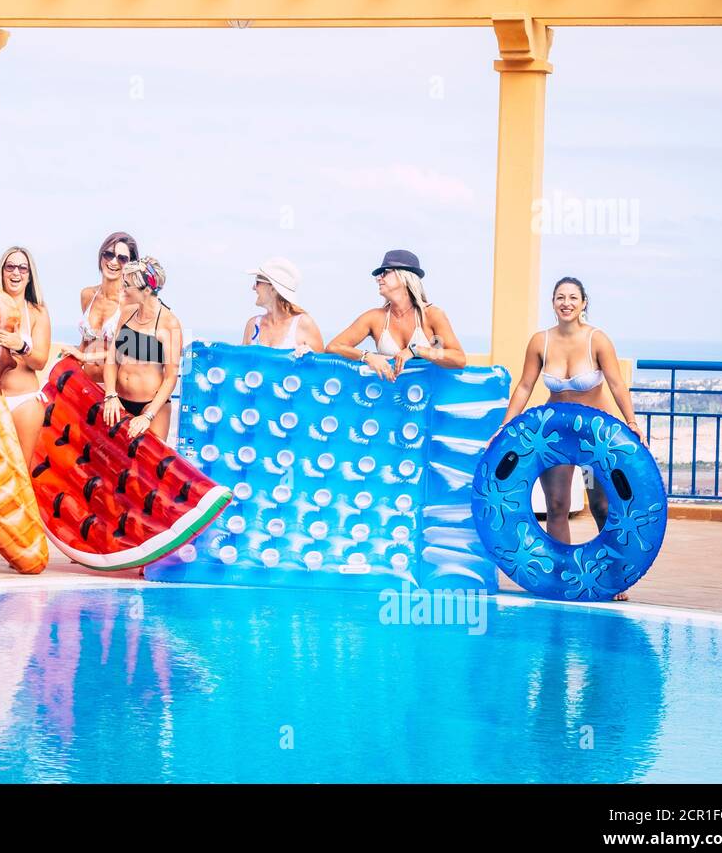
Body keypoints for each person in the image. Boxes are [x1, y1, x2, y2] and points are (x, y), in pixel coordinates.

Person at [492, 277, 647, 599]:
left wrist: (631, 421)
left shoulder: (597, 340)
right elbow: (524, 386)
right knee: (558, 505)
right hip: (556, 435)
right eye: (560, 297)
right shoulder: (540, 341)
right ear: (553, 303)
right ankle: (562, 575)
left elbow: (617, 385)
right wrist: (506, 426)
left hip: (596, 437)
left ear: (583, 303)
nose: (566, 302)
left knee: (603, 505)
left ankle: (613, 578)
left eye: (573, 297)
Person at [325, 249, 466, 378]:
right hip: (389, 398)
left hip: (427, 398)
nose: (378, 278)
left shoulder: (432, 315)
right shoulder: (374, 318)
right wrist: (367, 356)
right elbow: (333, 347)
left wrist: (415, 350)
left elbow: (459, 359)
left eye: (385, 273)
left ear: (404, 277)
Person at [100, 257, 183, 441]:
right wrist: (110, 394)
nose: (122, 289)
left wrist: (148, 415)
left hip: (152, 407)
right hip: (119, 402)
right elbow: (113, 360)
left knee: (147, 467)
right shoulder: (127, 312)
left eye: (127, 285)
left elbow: (170, 378)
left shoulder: (170, 323)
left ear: (146, 290)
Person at [0, 246, 52, 465]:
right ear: (2, 271)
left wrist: (21, 345)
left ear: (29, 276)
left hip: (24, 401)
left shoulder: (37, 312)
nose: (16, 273)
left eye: (22, 268)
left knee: (20, 471)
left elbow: (41, 361)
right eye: (11, 267)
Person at [73, 232, 138, 383]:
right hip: (86, 385)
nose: (113, 262)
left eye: (122, 258)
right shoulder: (88, 295)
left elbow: (125, 353)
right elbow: (86, 341)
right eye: (108, 254)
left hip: (115, 390)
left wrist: (84, 357)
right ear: (101, 256)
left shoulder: (131, 303)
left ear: (131, 264)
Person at [241, 257, 324, 356]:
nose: (253, 287)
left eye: (257, 282)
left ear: (273, 289)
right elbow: (242, 366)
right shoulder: (253, 325)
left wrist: (307, 360)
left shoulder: (304, 324)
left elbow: (321, 369)